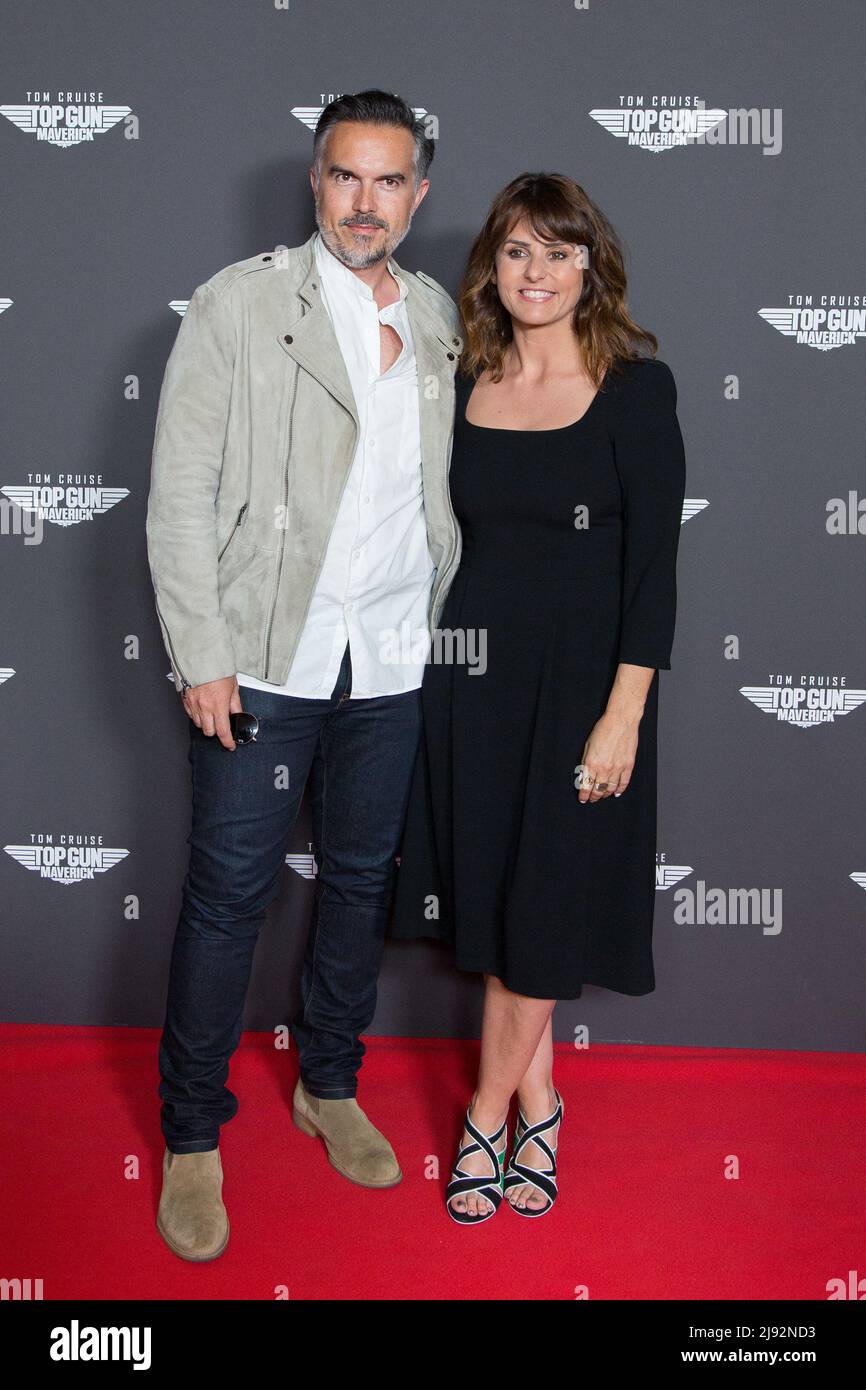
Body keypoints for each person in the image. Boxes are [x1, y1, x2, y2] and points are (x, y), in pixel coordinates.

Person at [145, 90, 464, 1261]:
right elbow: (178, 492)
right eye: (345, 177)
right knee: (229, 896)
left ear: (416, 195)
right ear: (314, 182)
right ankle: (190, 1135)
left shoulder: (435, 315)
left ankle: (328, 1082)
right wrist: (203, 653)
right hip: (263, 653)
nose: (364, 203)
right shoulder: (240, 304)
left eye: (389, 182)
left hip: (385, 655)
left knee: (359, 883)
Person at [390, 172, 687, 1224]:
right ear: (492, 268)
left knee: (543, 908)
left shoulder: (634, 388)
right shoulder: (464, 383)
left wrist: (622, 715)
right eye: (517, 251)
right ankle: (544, 1100)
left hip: (582, 698)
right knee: (510, 909)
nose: (538, 272)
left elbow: (652, 573)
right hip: (467, 692)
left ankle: (484, 1116)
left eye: (559, 252)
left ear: (589, 266)